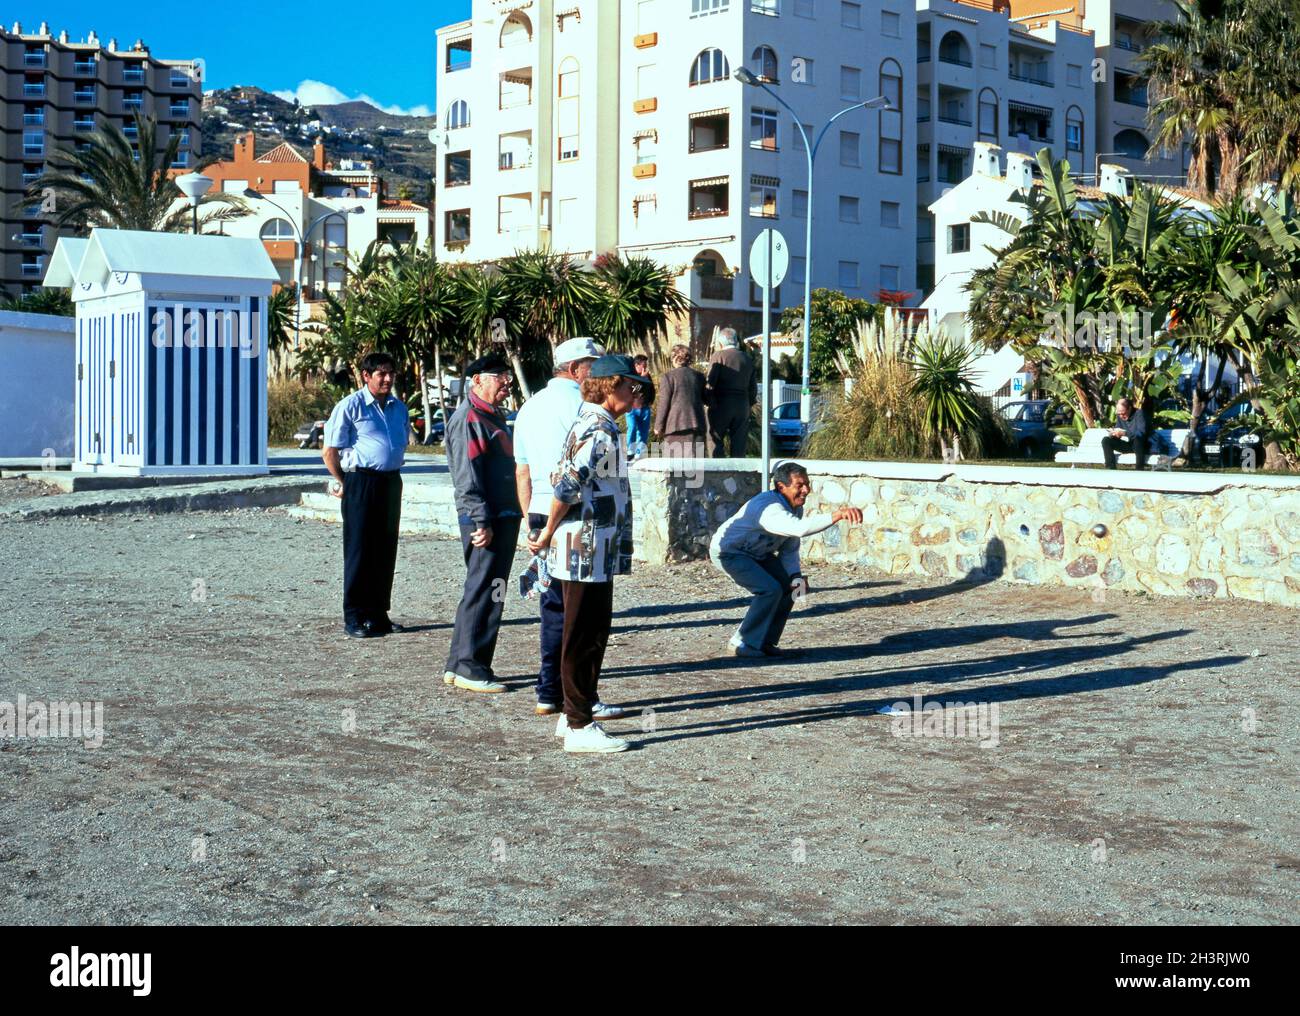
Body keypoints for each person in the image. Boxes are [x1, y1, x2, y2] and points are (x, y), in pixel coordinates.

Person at [528, 354, 643, 754]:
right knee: (583, 634)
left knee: (589, 631)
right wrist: (546, 532)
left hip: (593, 546)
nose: (635, 391)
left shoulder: (600, 424)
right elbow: (567, 487)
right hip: (584, 546)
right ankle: (579, 724)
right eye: (631, 384)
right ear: (611, 386)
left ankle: (574, 712)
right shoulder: (598, 428)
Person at [513, 336, 604, 715]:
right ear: (574, 369)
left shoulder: (529, 407)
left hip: (537, 510)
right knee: (582, 612)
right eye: (592, 365)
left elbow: (522, 471)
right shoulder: (585, 408)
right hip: (574, 513)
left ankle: (548, 691)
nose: (596, 372)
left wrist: (530, 522)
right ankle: (579, 699)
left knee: (553, 607)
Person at [710, 461, 863, 657]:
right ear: (781, 487)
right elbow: (798, 529)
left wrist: (795, 576)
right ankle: (742, 642)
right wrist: (837, 515)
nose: (806, 490)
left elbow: (789, 549)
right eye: (799, 485)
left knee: (792, 588)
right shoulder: (768, 508)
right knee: (769, 589)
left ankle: (765, 642)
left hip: (757, 554)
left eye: (807, 484)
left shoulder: (794, 508)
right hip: (730, 553)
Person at [443, 354, 523, 694]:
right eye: (499, 376)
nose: (506, 382)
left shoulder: (493, 415)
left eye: (507, 376)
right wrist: (479, 518)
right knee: (484, 589)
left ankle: (459, 663)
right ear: (476, 380)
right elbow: (466, 476)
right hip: (486, 519)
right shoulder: (469, 418)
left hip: (501, 516)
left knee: (487, 588)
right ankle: (470, 666)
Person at [322, 351, 408, 639]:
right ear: (366, 376)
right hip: (361, 481)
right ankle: (355, 614)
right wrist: (345, 481)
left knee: (385, 548)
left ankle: (378, 613)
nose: (387, 378)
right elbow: (329, 452)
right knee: (360, 548)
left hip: (390, 482)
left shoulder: (399, 408)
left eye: (390, 372)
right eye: (380, 373)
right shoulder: (350, 406)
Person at [705, 328, 756, 458]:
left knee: (715, 439)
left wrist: (708, 401)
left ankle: (718, 471)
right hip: (742, 405)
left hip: (721, 404)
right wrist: (749, 403)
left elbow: (710, 383)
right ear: (736, 341)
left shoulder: (718, 356)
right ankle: (738, 472)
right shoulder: (747, 358)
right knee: (739, 442)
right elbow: (752, 387)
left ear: (721, 343)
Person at [653, 343, 708, 456]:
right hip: (697, 424)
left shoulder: (668, 377)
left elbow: (664, 403)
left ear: (674, 358)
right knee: (696, 467)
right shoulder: (699, 376)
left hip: (675, 426)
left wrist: (658, 426)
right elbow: (707, 399)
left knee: (676, 468)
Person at [1102, 397, 1149, 470]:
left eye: (1123, 413)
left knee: (1137, 440)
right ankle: (1110, 468)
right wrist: (1114, 433)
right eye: (1119, 414)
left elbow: (1141, 433)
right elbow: (1119, 429)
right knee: (1106, 440)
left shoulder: (1139, 414)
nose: (1121, 416)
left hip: (1144, 446)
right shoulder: (1120, 416)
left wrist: (1125, 433)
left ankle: (1139, 470)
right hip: (1131, 445)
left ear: (1129, 408)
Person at [625, 354, 653, 459]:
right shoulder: (631, 376)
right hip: (632, 408)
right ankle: (630, 451)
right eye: (643, 365)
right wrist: (642, 379)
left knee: (643, 431)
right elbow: (632, 391)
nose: (645, 368)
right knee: (632, 428)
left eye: (646, 365)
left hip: (644, 407)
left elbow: (651, 389)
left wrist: (650, 401)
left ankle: (639, 452)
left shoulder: (646, 376)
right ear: (637, 365)